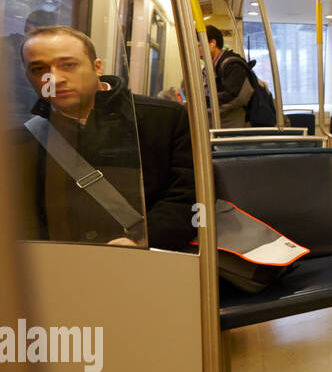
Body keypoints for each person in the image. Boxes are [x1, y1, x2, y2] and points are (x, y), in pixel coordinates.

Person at [14, 25, 196, 251]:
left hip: (147, 259)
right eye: (39, 69)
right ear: (28, 77)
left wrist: (142, 239)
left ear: (97, 67)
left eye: (68, 65)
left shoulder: (164, 119)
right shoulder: (19, 141)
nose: (54, 79)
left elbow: (190, 199)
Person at [205, 24, 253, 129]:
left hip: (231, 127)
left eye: (199, 46)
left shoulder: (232, 65)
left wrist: (203, 107)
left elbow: (236, 97)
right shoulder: (209, 67)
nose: (197, 50)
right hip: (217, 124)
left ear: (212, 43)